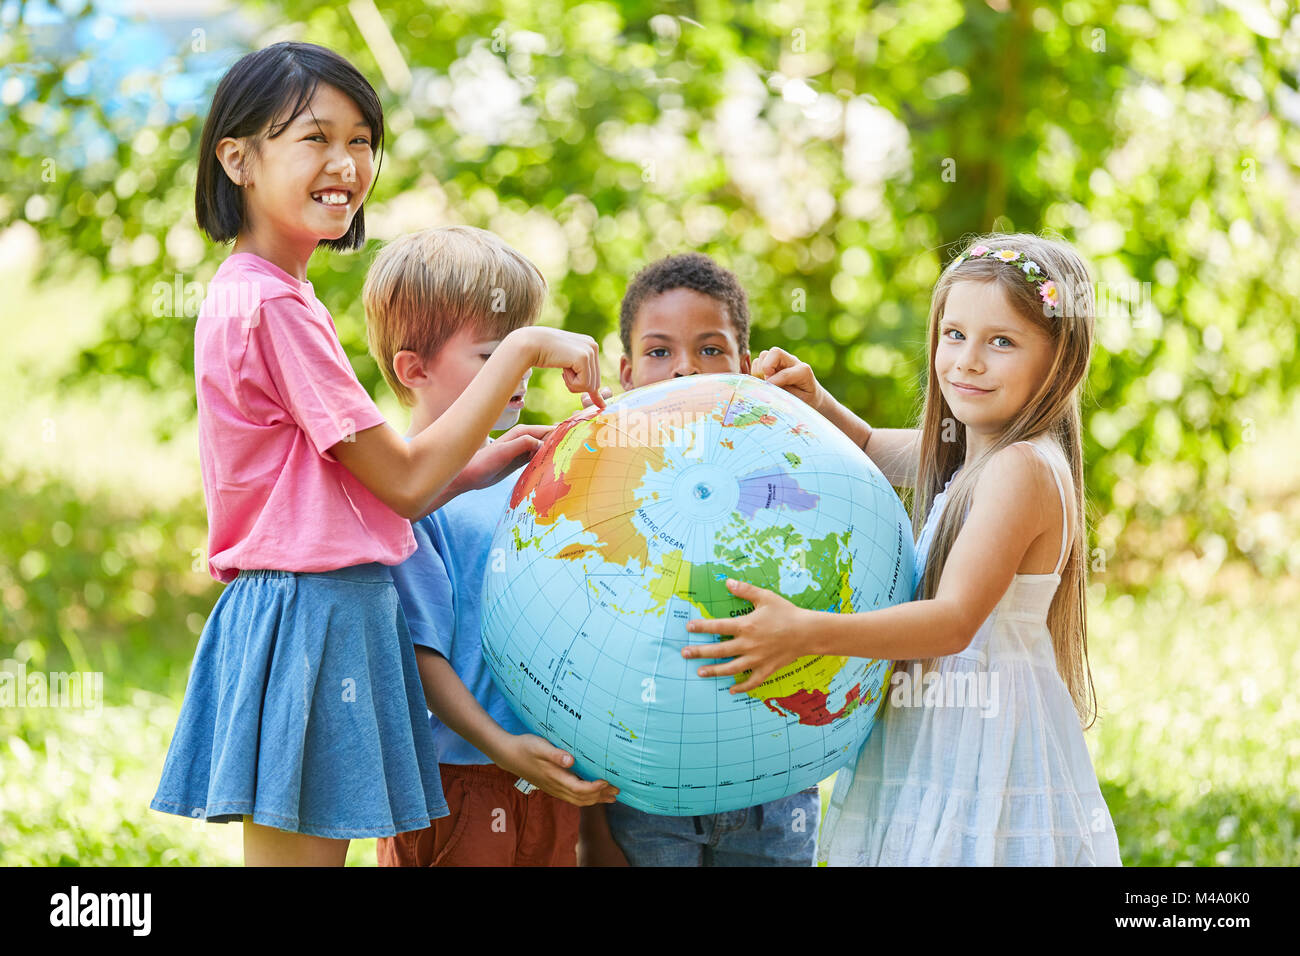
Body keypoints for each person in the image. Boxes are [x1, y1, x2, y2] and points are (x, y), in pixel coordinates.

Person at [149, 43, 602, 866]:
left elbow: (361, 490)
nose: (346, 164)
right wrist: (526, 346)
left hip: (323, 614)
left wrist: (480, 466)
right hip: (312, 618)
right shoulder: (273, 308)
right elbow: (402, 477)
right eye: (315, 138)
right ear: (238, 158)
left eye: (361, 141)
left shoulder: (268, 295)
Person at [684, 233, 1122, 866]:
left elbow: (952, 622)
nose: (967, 361)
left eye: (1001, 341)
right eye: (954, 334)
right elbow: (865, 445)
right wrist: (817, 401)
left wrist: (806, 631)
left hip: (981, 728)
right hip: (951, 716)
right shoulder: (977, 448)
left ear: (1059, 361)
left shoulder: (1021, 468)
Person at [364, 226, 619, 867]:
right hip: (456, 783)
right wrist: (503, 748)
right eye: (492, 356)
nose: (519, 375)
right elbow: (418, 658)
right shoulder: (415, 499)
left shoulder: (531, 475)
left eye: (521, 354)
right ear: (413, 369)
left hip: (549, 775)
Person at [577, 252, 821, 867]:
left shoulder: (790, 470)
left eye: (711, 350)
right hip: (644, 781)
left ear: (745, 364)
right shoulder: (597, 481)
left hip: (773, 776)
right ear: (627, 373)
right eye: (660, 352)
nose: (686, 367)